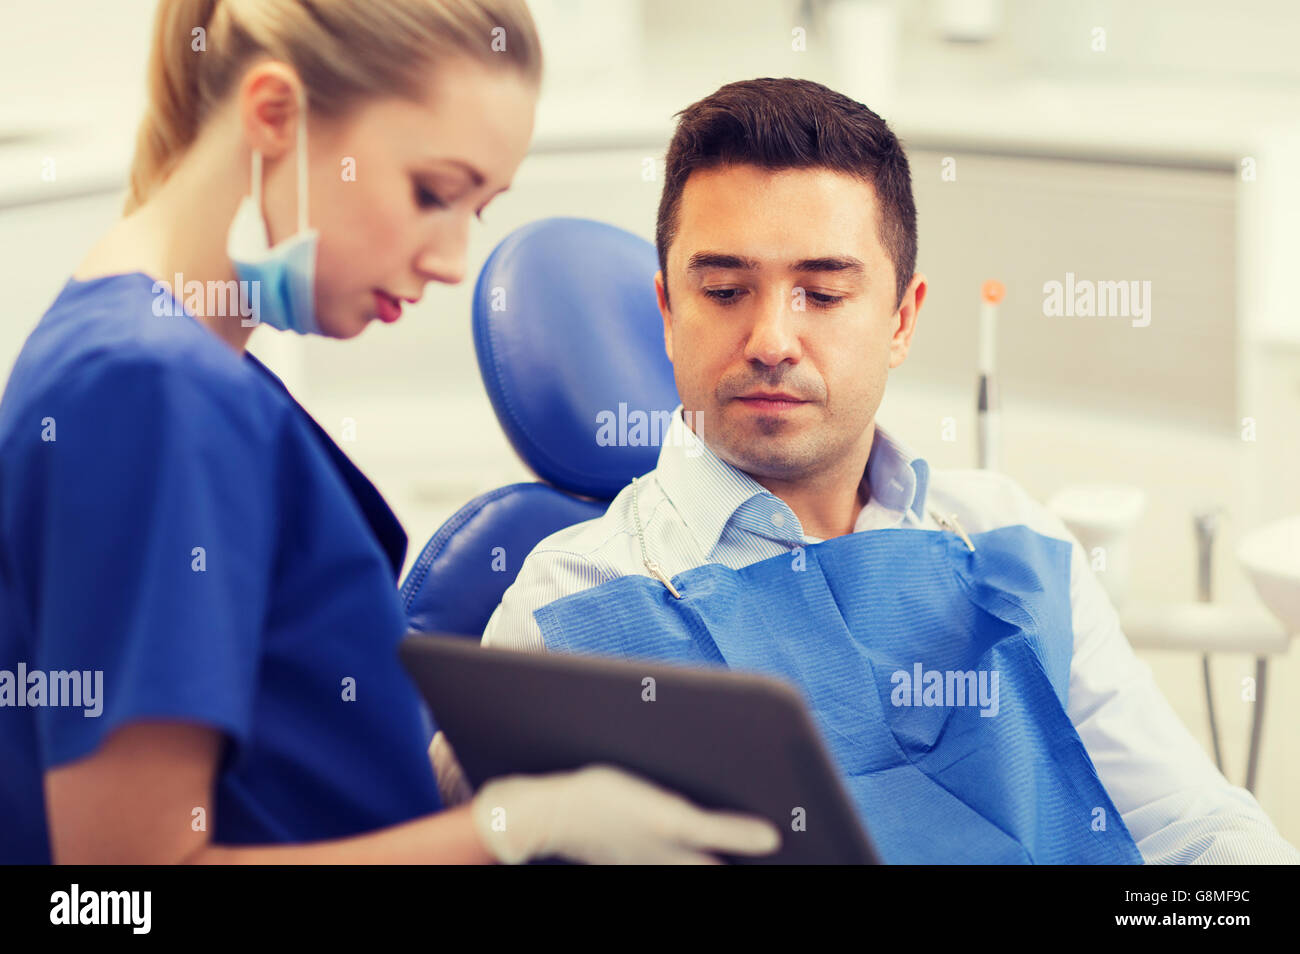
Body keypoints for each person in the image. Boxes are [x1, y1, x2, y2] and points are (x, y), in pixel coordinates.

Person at [0, 0, 779, 865]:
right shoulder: (152, 391)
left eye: (474, 211)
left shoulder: (161, 364)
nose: (451, 261)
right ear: (274, 116)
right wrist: (512, 833)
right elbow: (119, 896)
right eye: (432, 194)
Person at [480, 77, 1300, 865]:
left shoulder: (1013, 541)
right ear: (667, 312)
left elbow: (1191, 829)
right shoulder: (570, 608)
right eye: (726, 290)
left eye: (824, 295)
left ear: (902, 319)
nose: (770, 339)